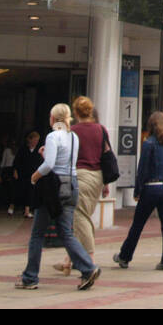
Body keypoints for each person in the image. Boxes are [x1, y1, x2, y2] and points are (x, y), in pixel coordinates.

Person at [15, 103, 100, 291]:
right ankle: (88, 268)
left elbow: (49, 166)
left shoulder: (53, 136)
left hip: (53, 187)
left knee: (37, 233)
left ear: (53, 119)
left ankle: (30, 277)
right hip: (71, 184)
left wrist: (34, 176)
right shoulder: (73, 137)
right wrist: (47, 155)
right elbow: (68, 160)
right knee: (66, 232)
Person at [114, 111, 163, 271]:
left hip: (152, 187)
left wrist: (137, 191)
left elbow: (142, 170)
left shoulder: (149, 143)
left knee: (138, 224)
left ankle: (125, 256)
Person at [54, 97, 109, 277]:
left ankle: (90, 261)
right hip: (98, 176)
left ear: (75, 113)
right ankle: (68, 262)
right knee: (81, 217)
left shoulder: (73, 131)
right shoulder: (101, 130)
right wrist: (106, 184)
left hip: (81, 175)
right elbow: (107, 157)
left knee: (80, 216)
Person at [13, 130, 41, 218]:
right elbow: (17, 161)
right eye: (35, 140)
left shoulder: (39, 149)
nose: (36, 142)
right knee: (23, 190)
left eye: (37, 140)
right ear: (30, 139)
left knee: (32, 191)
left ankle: (28, 210)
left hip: (34, 174)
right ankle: (21, 208)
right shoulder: (23, 149)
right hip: (23, 173)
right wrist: (15, 171)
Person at [0, 136, 16, 213]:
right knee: (12, 186)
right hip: (13, 169)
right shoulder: (16, 150)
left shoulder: (7, 150)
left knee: (7, 187)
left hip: (7, 169)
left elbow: (3, 162)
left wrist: (0, 173)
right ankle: (11, 202)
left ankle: (7, 202)